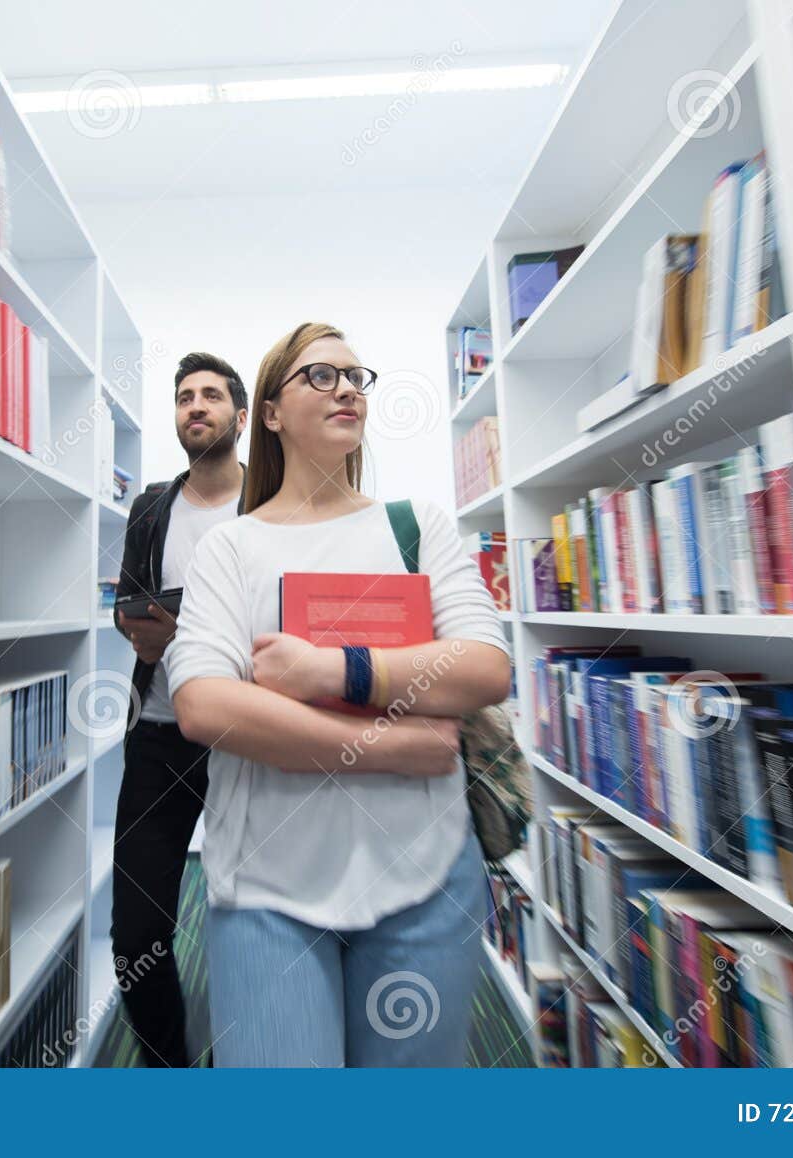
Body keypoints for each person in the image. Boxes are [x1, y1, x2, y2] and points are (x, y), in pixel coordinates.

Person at [165, 322, 511, 1067]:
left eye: (358, 376)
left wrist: (333, 672)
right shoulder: (232, 547)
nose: (348, 388)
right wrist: (394, 746)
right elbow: (204, 705)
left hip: (425, 876)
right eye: (321, 376)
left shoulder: (418, 528)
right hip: (265, 888)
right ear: (271, 413)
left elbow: (484, 667)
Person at [109, 351, 247, 1067]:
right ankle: (170, 1073)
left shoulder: (271, 504)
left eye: (212, 396)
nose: (196, 406)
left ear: (241, 416)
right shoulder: (151, 507)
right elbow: (126, 610)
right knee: (136, 937)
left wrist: (195, 636)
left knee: (252, 923)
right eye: (185, 396)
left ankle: (256, 1056)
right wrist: (146, 635)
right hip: (158, 739)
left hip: (246, 740)